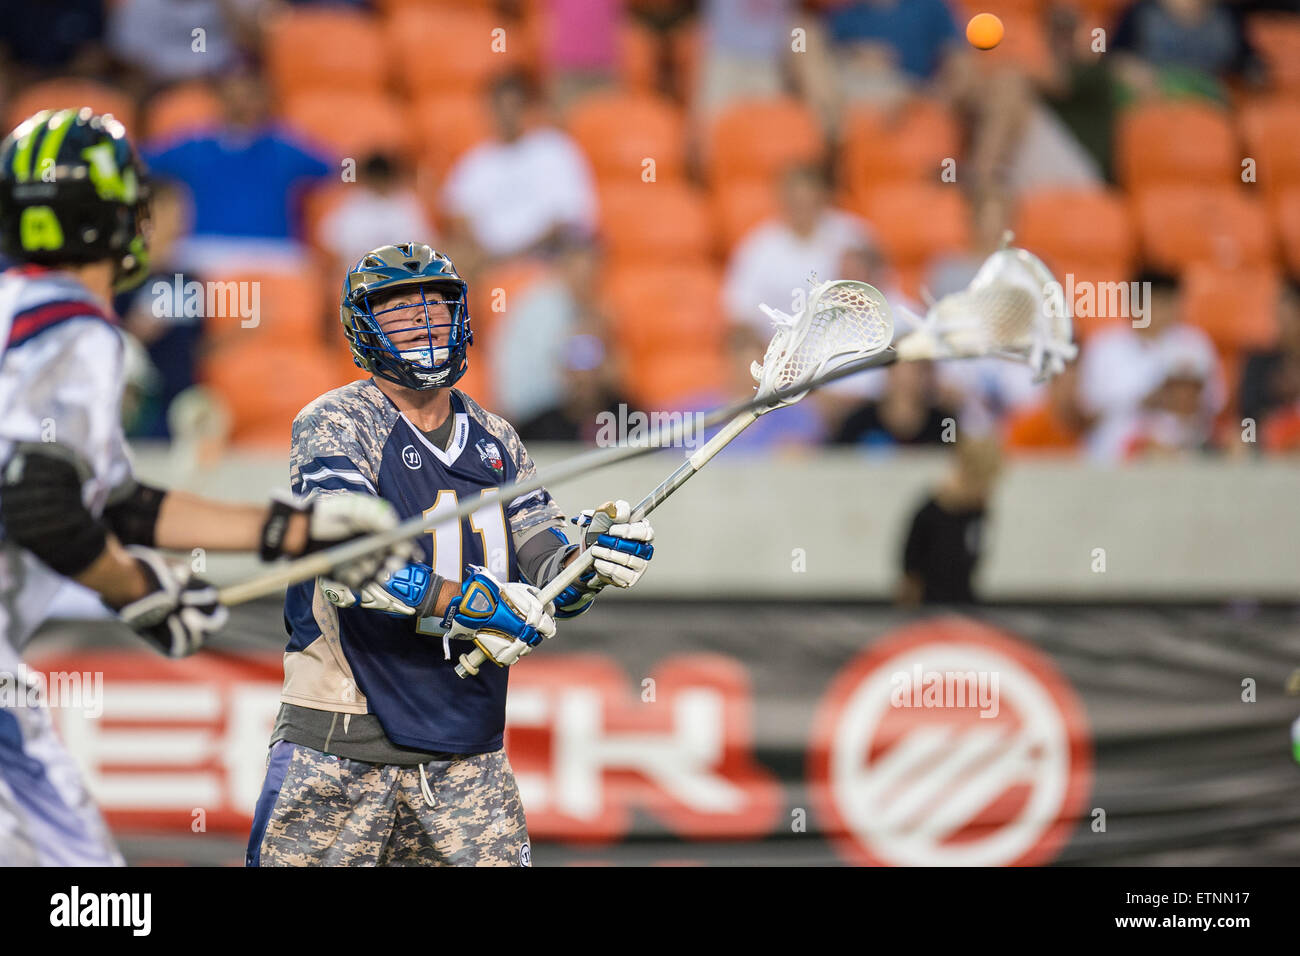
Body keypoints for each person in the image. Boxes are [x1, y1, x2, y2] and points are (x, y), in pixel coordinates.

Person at [0, 109, 412, 866]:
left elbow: (113, 501)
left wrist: (301, 532)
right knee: (92, 900)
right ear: (116, 217)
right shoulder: (81, 334)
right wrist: (136, 590)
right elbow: (37, 499)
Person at [246, 242, 656, 867]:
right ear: (364, 326)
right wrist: (474, 604)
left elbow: (542, 556)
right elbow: (346, 566)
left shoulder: (497, 439)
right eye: (401, 312)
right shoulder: (336, 421)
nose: (424, 325)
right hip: (341, 743)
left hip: (468, 755)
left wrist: (589, 562)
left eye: (435, 308)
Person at [898, 437, 1002, 606]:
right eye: (984, 481)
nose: (987, 489)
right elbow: (911, 566)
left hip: (964, 601)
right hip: (930, 605)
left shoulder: (978, 510)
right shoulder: (931, 512)